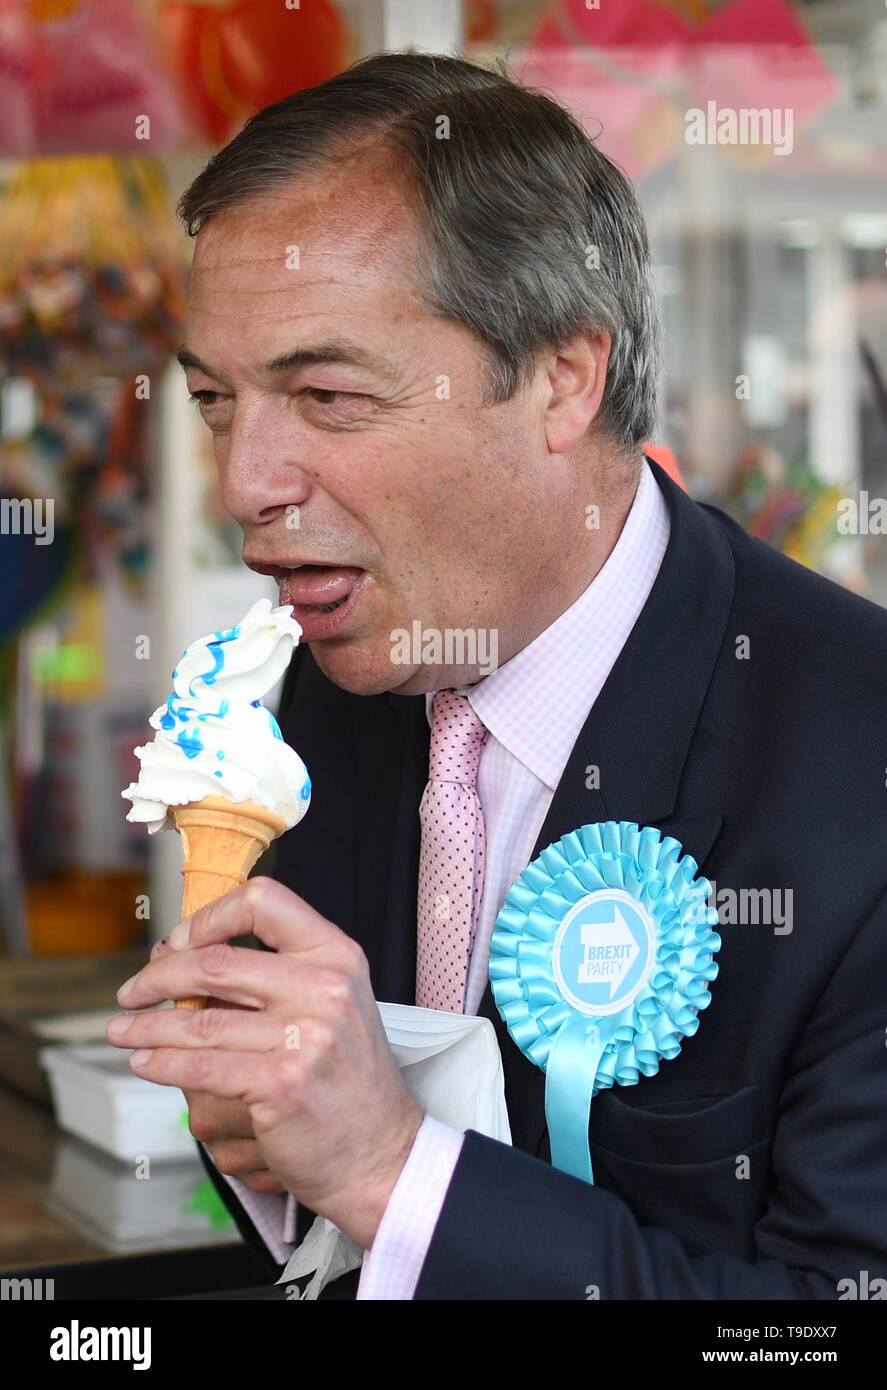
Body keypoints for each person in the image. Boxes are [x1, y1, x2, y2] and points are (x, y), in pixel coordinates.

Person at [107, 52, 887, 1300]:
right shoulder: (334, 683)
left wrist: (389, 1167)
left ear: (563, 378)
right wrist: (271, 1134)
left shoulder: (854, 766)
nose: (243, 486)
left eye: (325, 393)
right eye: (214, 400)